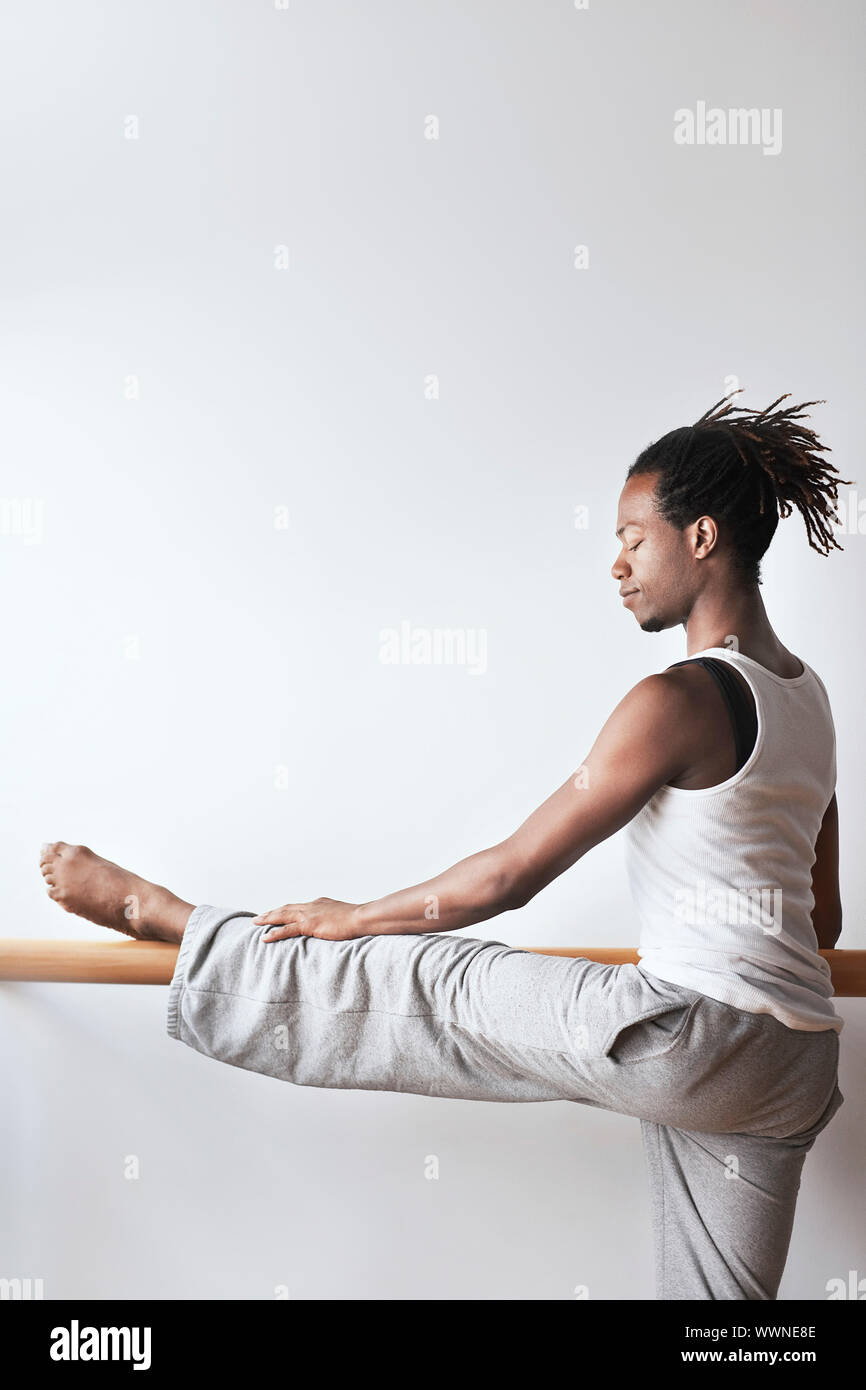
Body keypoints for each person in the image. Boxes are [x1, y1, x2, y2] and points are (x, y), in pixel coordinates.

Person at [39, 390, 851, 1300]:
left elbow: (508, 877)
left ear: (702, 537)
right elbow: (822, 918)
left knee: (426, 981)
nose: (616, 563)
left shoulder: (676, 701)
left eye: (632, 535)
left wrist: (357, 914)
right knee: (723, 1322)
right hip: (794, 1066)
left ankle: (177, 922)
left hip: (696, 1038)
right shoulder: (809, 699)